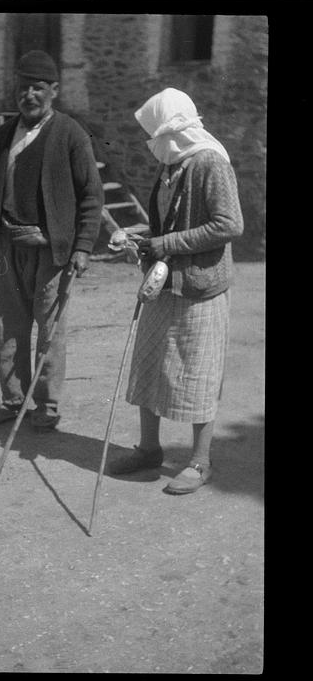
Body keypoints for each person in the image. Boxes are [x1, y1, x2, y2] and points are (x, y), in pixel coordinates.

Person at [110, 87, 244, 494]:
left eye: (152, 133)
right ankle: (149, 450)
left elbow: (229, 225)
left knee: (197, 373)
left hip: (201, 287)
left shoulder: (208, 163)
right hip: (166, 282)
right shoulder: (173, 164)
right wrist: (137, 234)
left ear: (171, 129)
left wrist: (165, 245)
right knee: (151, 364)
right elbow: (172, 224)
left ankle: (200, 462)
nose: (150, 143)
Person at [0, 50, 104, 432]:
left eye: (37, 88)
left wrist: (82, 247)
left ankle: (47, 406)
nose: (28, 95)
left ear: (54, 91)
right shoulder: (5, 132)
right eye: (22, 87)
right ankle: (14, 400)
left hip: (52, 251)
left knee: (50, 331)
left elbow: (92, 196)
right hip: (8, 247)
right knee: (7, 326)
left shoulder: (70, 134)